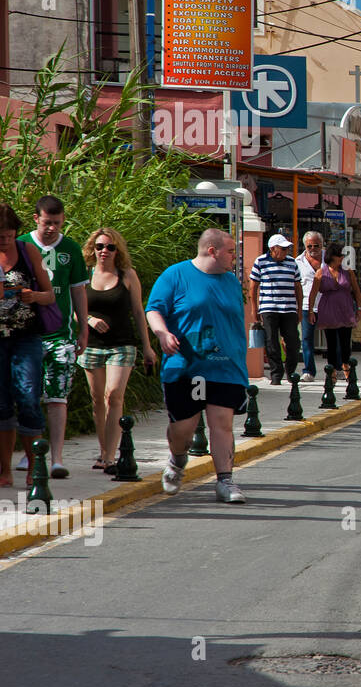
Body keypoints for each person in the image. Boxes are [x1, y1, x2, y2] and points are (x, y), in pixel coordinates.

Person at [145, 228, 250, 504]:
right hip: (188, 367)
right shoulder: (176, 275)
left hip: (225, 368)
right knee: (184, 430)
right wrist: (162, 334)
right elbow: (153, 309)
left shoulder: (231, 281)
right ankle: (178, 460)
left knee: (222, 423)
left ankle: (225, 481)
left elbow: (235, 323)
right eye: (230, 251)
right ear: (212, 250)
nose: (234, 258)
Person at [19, 195, 88, 480]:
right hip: (27, 333)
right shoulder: (21, 244)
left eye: (57, 223)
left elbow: (78, 291)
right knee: (27, 393)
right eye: (47, 223)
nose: (52, 229)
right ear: (36, 218)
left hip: (61, 334)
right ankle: (30, 452)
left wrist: (83, 327)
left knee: (58, 396)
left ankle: (57, 458)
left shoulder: (70, 249)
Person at [78, 228, 156, 473]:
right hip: (91, 345)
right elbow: (72, 307)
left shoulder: (127, 275)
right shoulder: (84, 274)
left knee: (113, 395)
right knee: (97, 399)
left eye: (110, 247)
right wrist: (89, 320)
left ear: (117, 250)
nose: (104, 251)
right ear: (93, 249)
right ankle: (103, 452)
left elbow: (138, 312)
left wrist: (147, 347)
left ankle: (111, 456)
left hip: (122, 344)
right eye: (100, 246)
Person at [0, 204, 56, 488]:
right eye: (0, 237)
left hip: (26, 337)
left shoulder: (27, 251)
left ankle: (36, 468)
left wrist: (33, 296)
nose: (5, 241)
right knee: (1, 404)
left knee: (28, 397)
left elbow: (50, 296)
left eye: (9, 235)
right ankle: (4, 470)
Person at [248, 234, 302, 386]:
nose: (286, 251)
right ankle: (276, 374)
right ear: (272, 249)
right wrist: (255, 309)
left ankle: (291, 372)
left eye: (287, 248)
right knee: (271, 342)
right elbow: (253, 288)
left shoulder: (292, 262)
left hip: (289, 308)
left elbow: (297, 286)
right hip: (269, 308)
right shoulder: (260, 262)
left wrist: (299, 308)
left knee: (293, 341)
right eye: (283, 248)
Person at [310, 242, 361, 385]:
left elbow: (356, 291)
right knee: (332, 343)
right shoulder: (321, 272)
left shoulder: (348, 271)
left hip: (345, 309)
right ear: (332, 256)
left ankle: (346, 369)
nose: (342, 258)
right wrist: (310, 312)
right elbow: (313, 294)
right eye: (340, 255)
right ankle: (331, 372)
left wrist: (359, 309)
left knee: (345, 342)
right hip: (328, 310)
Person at [295, 231, 324, 382]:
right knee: (306, 339)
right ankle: (309, 371)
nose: (313, 248)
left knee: (335, 338)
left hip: (327, 304)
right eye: (309, 246)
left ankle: (337, 368)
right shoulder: (298, 262)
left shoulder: (330, 259)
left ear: (322, 244)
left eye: (316, 245)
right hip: (307, 305)